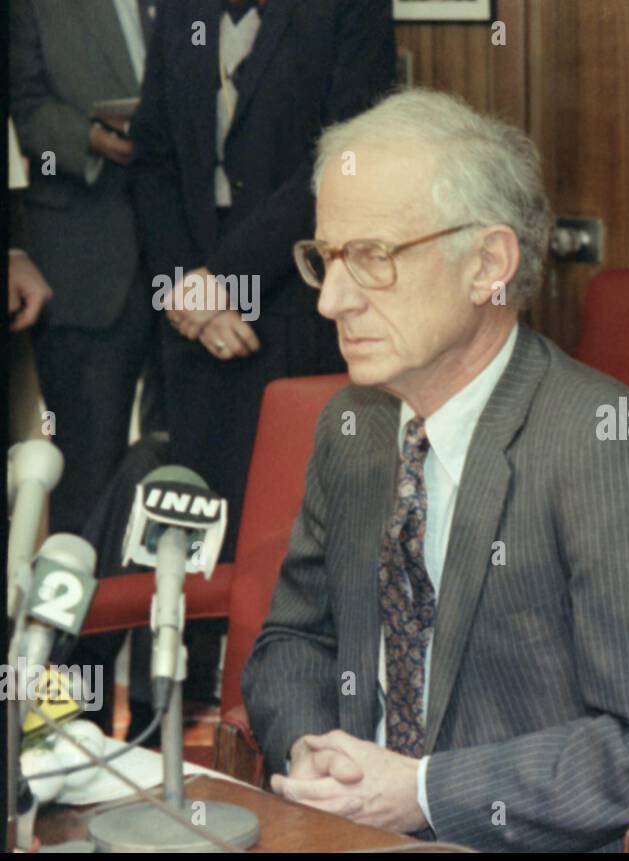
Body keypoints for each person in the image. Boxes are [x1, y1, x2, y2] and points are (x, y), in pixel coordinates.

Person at [241, 89, 629, 852]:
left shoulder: (604, 445)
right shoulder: (355, 425)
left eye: (372, 258)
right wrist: (315, 749)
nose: (333, 301)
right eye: (326, 259)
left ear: (489, 265)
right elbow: (292, 642)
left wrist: (424, 792)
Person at [129, 0, 394, 711]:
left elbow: (342, 160)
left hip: (290, 295)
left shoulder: (349, 10)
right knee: (186, 518)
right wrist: (186, 290)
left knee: (278, 534)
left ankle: (272, 722)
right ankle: (166, 721)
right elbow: (151, 155)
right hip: (190, 302)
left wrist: (227, 279)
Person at [9, 0, 162, 534]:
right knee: (86, 474)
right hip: (81, 257)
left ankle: (170, 614)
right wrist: (89, 140)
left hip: (190, 259)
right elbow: (21, 107)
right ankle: (78, 610)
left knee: (182, 466)